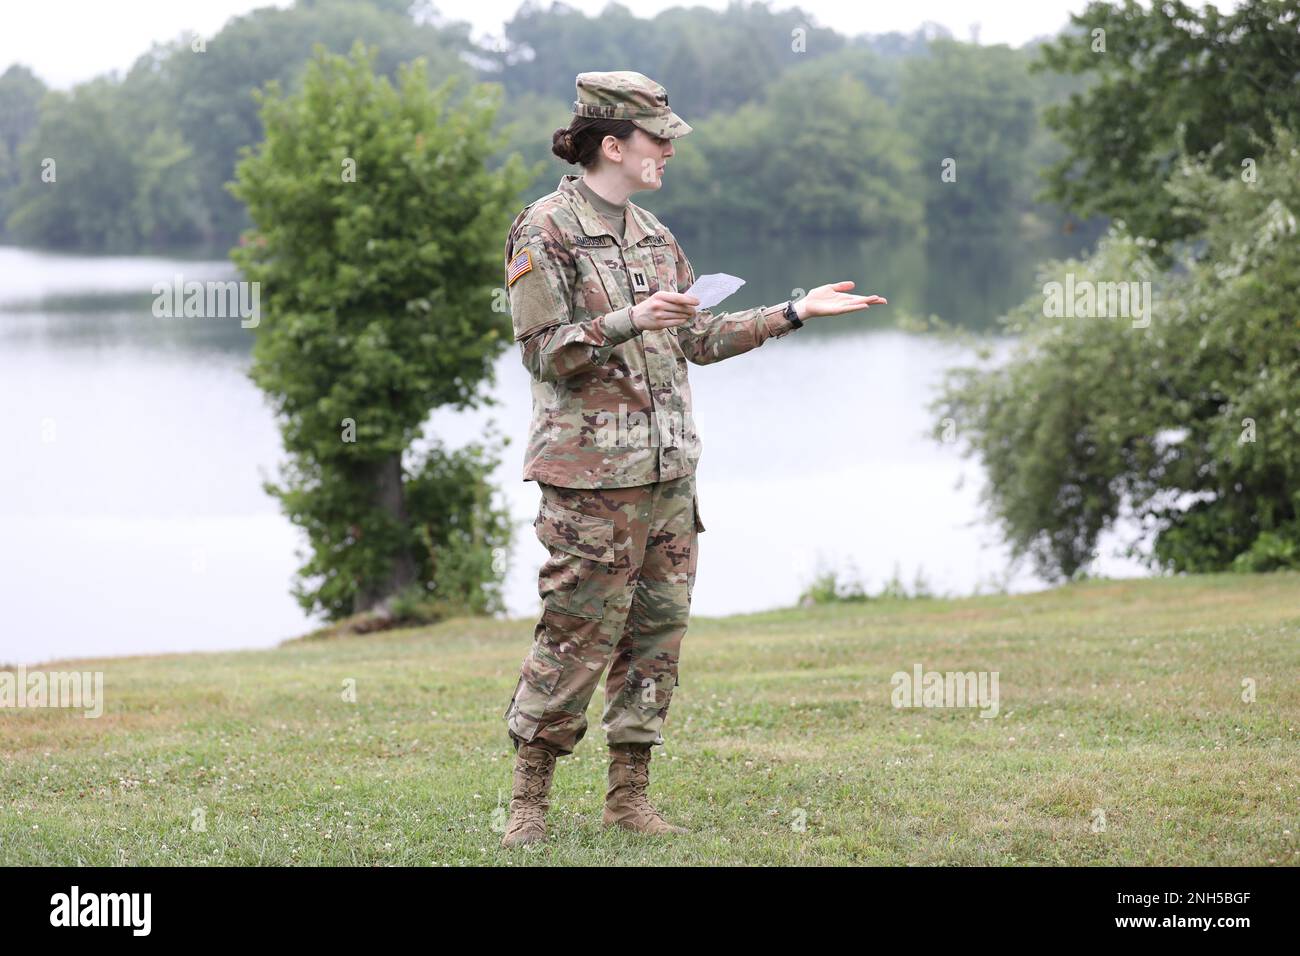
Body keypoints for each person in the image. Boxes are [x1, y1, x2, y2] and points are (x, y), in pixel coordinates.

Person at [499, 70, 886, 848]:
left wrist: (792, 312)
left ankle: (628, 799)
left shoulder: (654, 235)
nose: (669, 152)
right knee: (575, 636)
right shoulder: (544, 231)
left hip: (670, 477)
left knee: (655, 638)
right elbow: (544, 353)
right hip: (591, 484)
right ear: (613, 145)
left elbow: (697, 341)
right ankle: (529, 806)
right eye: (658, 139)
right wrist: (626, 319)